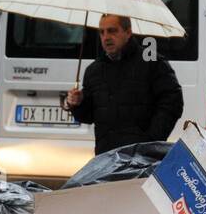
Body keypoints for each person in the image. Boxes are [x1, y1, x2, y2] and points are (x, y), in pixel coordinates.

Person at [63, 14, 184, 153]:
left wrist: (151, 141)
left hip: (141, 157)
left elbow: (172, 102)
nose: (106, 37)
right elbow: (89, 116)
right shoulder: (94, 70)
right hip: (106, 157)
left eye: (112, 31)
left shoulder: (152, 63)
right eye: (101, 32)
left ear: (128, 32)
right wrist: (77, 104)